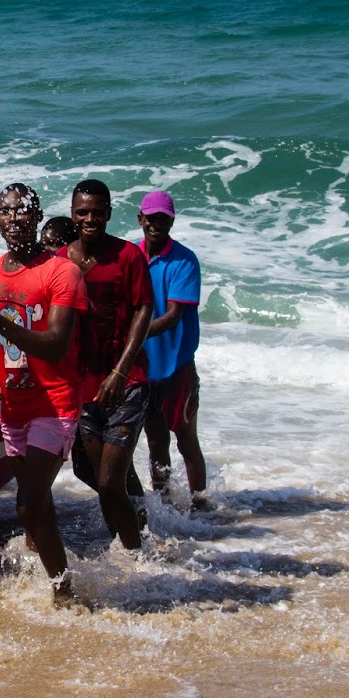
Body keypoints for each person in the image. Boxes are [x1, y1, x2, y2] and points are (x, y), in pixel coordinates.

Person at [0, 184, 88, 605]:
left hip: (55, 404)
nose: (14, 218)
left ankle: (65, 593)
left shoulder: (62, 273)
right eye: (5, 211)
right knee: (40, 505)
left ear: (38, 218)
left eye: (23, 211)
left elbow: (55, 344)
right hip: (13, 407)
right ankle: (59, 571)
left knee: (27, 504)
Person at [61, 179, 153, 550]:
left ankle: (138, 558)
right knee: (98, 476)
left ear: (109, 214)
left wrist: (120, 371)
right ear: (72, 214)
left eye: (98, 212)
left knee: (110, 482)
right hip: (82, 385)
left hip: (126, 382)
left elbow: (145, 309)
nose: (90, 219)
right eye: (83, 212)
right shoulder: (60, 261)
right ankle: (135, 528)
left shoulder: (129, 256)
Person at [137, 190, 211, 511]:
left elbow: (173, 315)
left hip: (178, 366)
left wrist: (128, 338)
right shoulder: (131, 257)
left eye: (163, 218)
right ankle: (165, 506)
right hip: (143, 366)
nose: (157, 224)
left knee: (186, 441)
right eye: (151, 218)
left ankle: (200, 505)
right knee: (156, 443)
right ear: (140, 219)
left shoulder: (184, 260)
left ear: (172, 221)